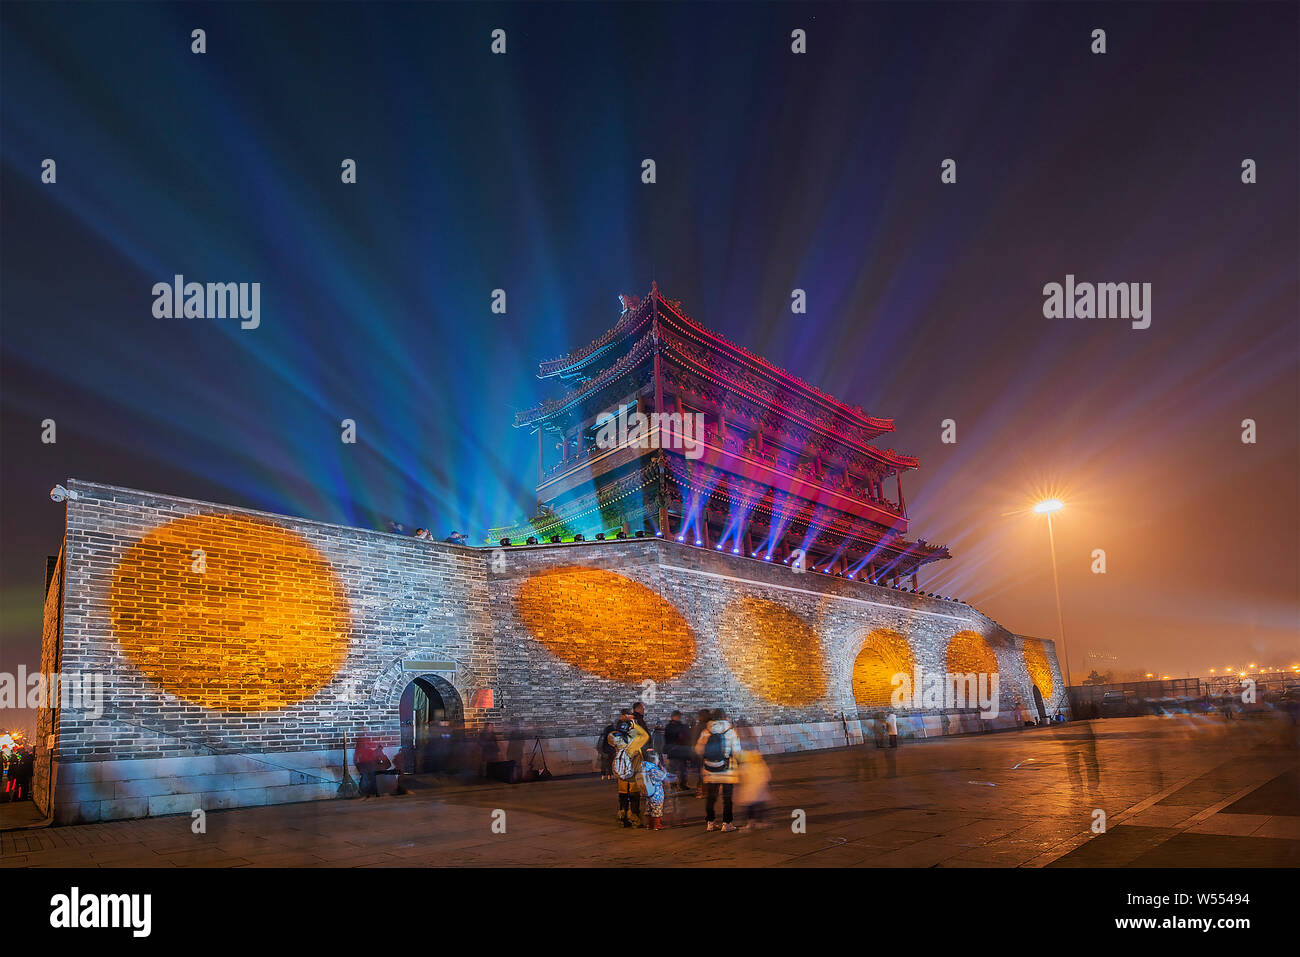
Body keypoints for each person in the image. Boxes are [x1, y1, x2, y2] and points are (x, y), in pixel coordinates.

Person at [696, 708, 743, 832]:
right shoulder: (730, 731)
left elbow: (698, 750)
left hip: (710, 769)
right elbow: (737, 752)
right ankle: (726, 823)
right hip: (727, 769)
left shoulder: (706, 731)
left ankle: (710, 823)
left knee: (711, 797)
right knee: (727, 798)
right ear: (724, 717)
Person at [608, 710, 650, 827]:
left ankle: (622, 817)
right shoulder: (635, 742)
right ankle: (635, 818)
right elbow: (645, 735)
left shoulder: (616, 740)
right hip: (633, 773)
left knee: (622, 795)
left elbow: (610, 737)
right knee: (634, 796)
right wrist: (634, 724)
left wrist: (621, 725)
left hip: (621, 773)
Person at [638, 748, 677, 830]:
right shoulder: (654, 769)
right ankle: (657, 825)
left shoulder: (643, 767)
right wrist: (663, 769)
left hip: (648, 792)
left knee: (649, 808)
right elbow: (663, 776)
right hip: (656, 792)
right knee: (657, 808)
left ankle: (649, 824)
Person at [736, 749, 771, 829]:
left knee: (750, 808)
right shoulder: (761, 765)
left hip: (749, 794)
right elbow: (767, 777)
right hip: (761, 793)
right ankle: (760, 822)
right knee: (761, 807)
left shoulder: (744, 766)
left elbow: (740, 777)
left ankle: (751, 822)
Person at [663, 710, 692, 792]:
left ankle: (676, 785)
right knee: (679, 769)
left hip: (675, 751)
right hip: (678, 751)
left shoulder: (669, 727)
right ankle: (678, 785)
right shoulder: (679, 727)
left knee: (677, 769)